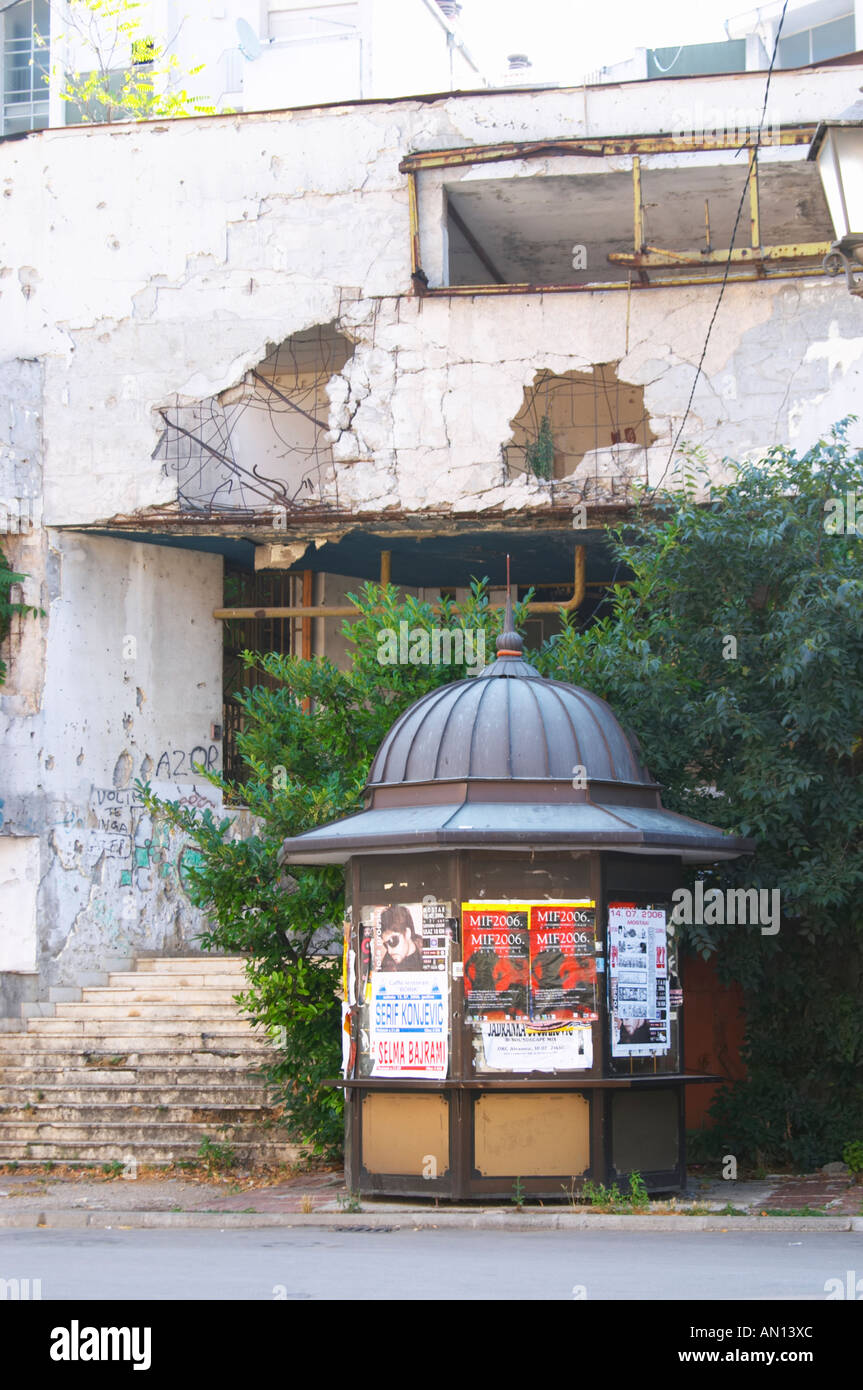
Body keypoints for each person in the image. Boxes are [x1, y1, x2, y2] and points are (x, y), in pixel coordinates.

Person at [378, 904, 423, 972]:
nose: (390, 951)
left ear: (407, 933)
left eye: (392, 941)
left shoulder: (429, 954)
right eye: (386, 945)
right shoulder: (387, 968)